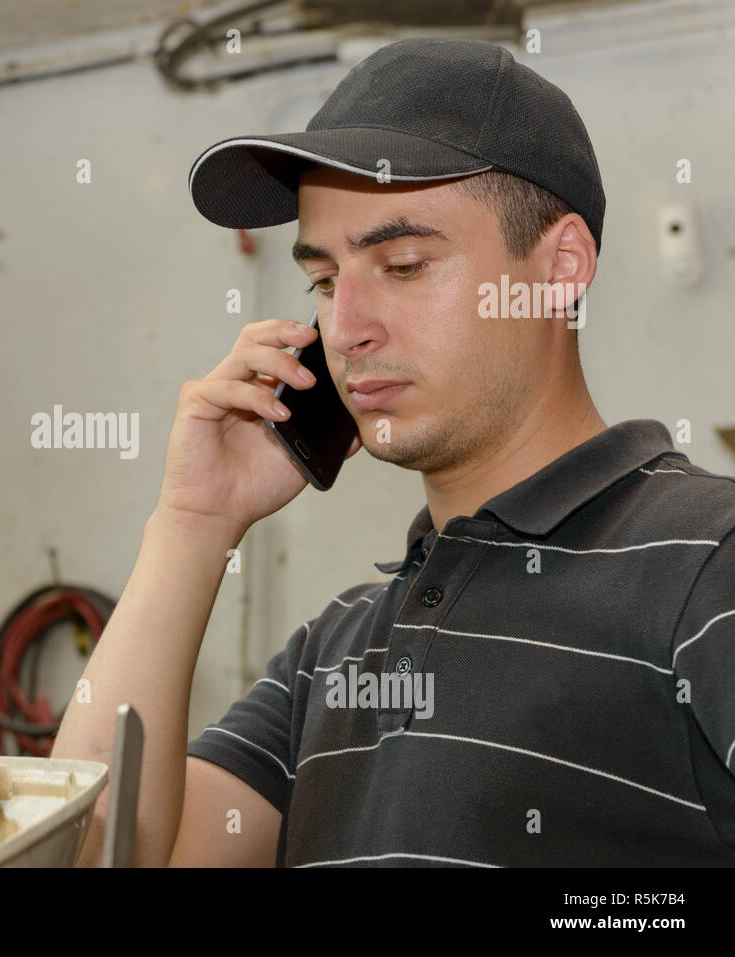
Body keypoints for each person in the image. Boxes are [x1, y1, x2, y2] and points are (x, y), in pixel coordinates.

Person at [52, 36, 735, 867]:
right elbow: (93, 854)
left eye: (404, 264)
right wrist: (192, 524)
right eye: (326, 280)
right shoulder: (329, 659)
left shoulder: (711, 564)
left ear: (559, 268)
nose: (344, 330)